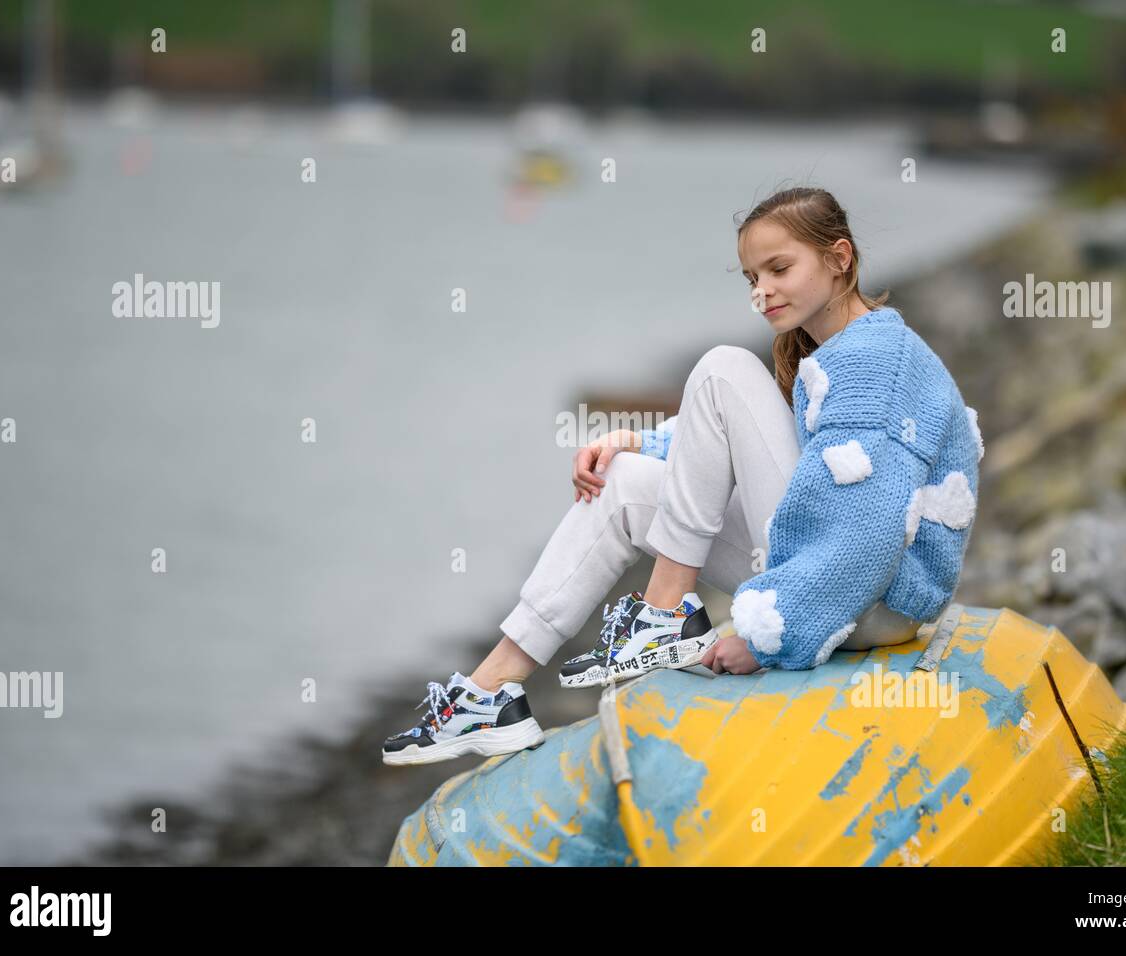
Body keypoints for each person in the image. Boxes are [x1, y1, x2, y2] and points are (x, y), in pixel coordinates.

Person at [383, 186, 983, 766]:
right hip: (829, 570)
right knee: (623, 485)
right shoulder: (833, 353)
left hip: (874, 602)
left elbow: (868, 535)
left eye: (779, 268)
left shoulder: (875, 363)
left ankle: (663, 615)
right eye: (753, 279)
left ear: (839, 258)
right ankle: (491, 694)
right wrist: (637, 443)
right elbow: (750, 443)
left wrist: (772, 638)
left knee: (723, 368)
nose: (763, 292)